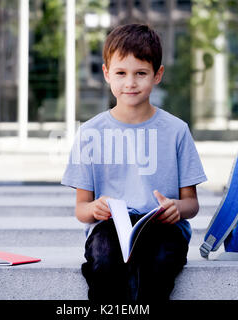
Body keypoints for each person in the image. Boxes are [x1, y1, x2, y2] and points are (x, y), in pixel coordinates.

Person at [61, 23, 207, 301]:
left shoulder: (176, 130)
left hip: (163, 227)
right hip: (110, 228)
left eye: (141, 73)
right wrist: (95, 208)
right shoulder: (90, 133)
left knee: (160, 262)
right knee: (103, 259)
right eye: (121, 73)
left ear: (157, 75)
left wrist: (177, 208)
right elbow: (81, 210)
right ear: (106, 74)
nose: (130, 82)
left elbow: (192, 203)